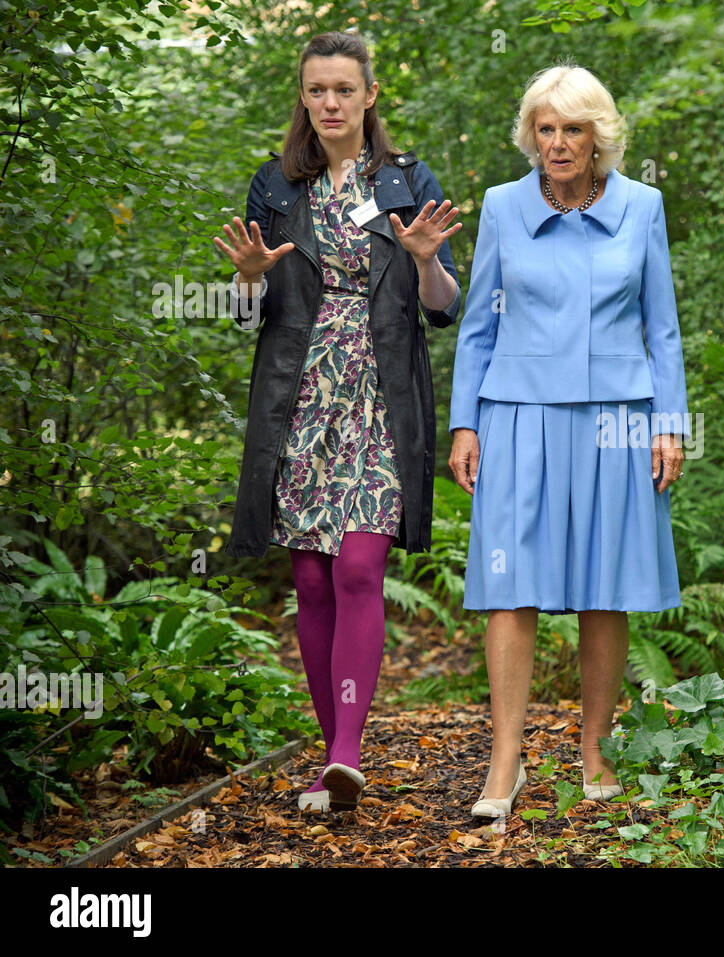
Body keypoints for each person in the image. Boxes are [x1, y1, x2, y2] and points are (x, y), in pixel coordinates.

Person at [216, 31, 462, 813]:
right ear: (304, 96)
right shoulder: (276, 186)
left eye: (343, 90)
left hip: (381, 389)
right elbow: (245, 314)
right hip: (300, 393)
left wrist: (425, 259)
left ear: (369, 96)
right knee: (311, 579)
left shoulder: (407, 180)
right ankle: (332, 759)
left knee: (359, 567)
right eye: (316, 89)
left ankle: (347, 754)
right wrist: (248, 281)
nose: (328, 103)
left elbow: (444, 308)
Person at [447, 64, 689, 818]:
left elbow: (663, 327)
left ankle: (596, 752)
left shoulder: (643, 207)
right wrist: (464, 421)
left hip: (617, 419)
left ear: (599, 137)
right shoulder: (500, 207)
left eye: (572, 129)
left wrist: (670, 421)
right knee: (509, 586)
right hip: (516, 414)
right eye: (545, 129)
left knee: (604, 584)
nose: (557, 143)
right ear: (531, 136)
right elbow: (479, 323)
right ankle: (504, 764)